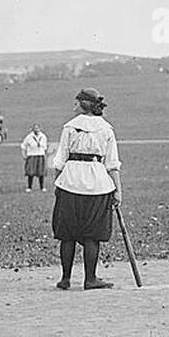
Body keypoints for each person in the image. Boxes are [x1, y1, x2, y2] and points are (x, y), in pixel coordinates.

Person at [51, 87, 122, 290]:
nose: (73, 106)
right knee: (92, 234)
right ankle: (90, 279)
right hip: (98, 185)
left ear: (84, 104)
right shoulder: (107, 129)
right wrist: (118, 190)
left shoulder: (69, 127)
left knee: (67, 233)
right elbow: (112, 164)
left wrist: (58, 184)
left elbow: (59, 161)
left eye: (76, 102)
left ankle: (65, 279)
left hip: (70, 183)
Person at [21, 124, 49, 192]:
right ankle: (29, 187)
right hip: (31, 155)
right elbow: (23, 146)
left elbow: (45, 147)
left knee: (41, 172)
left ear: (40, 129)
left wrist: (45, 155)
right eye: (35, 128)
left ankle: (42, 187)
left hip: (40, 155)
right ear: (32, 129)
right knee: (30, 172)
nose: (36, 130)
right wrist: (24, 154)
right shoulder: (29, 137)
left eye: (37, 128)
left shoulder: (43, 136)